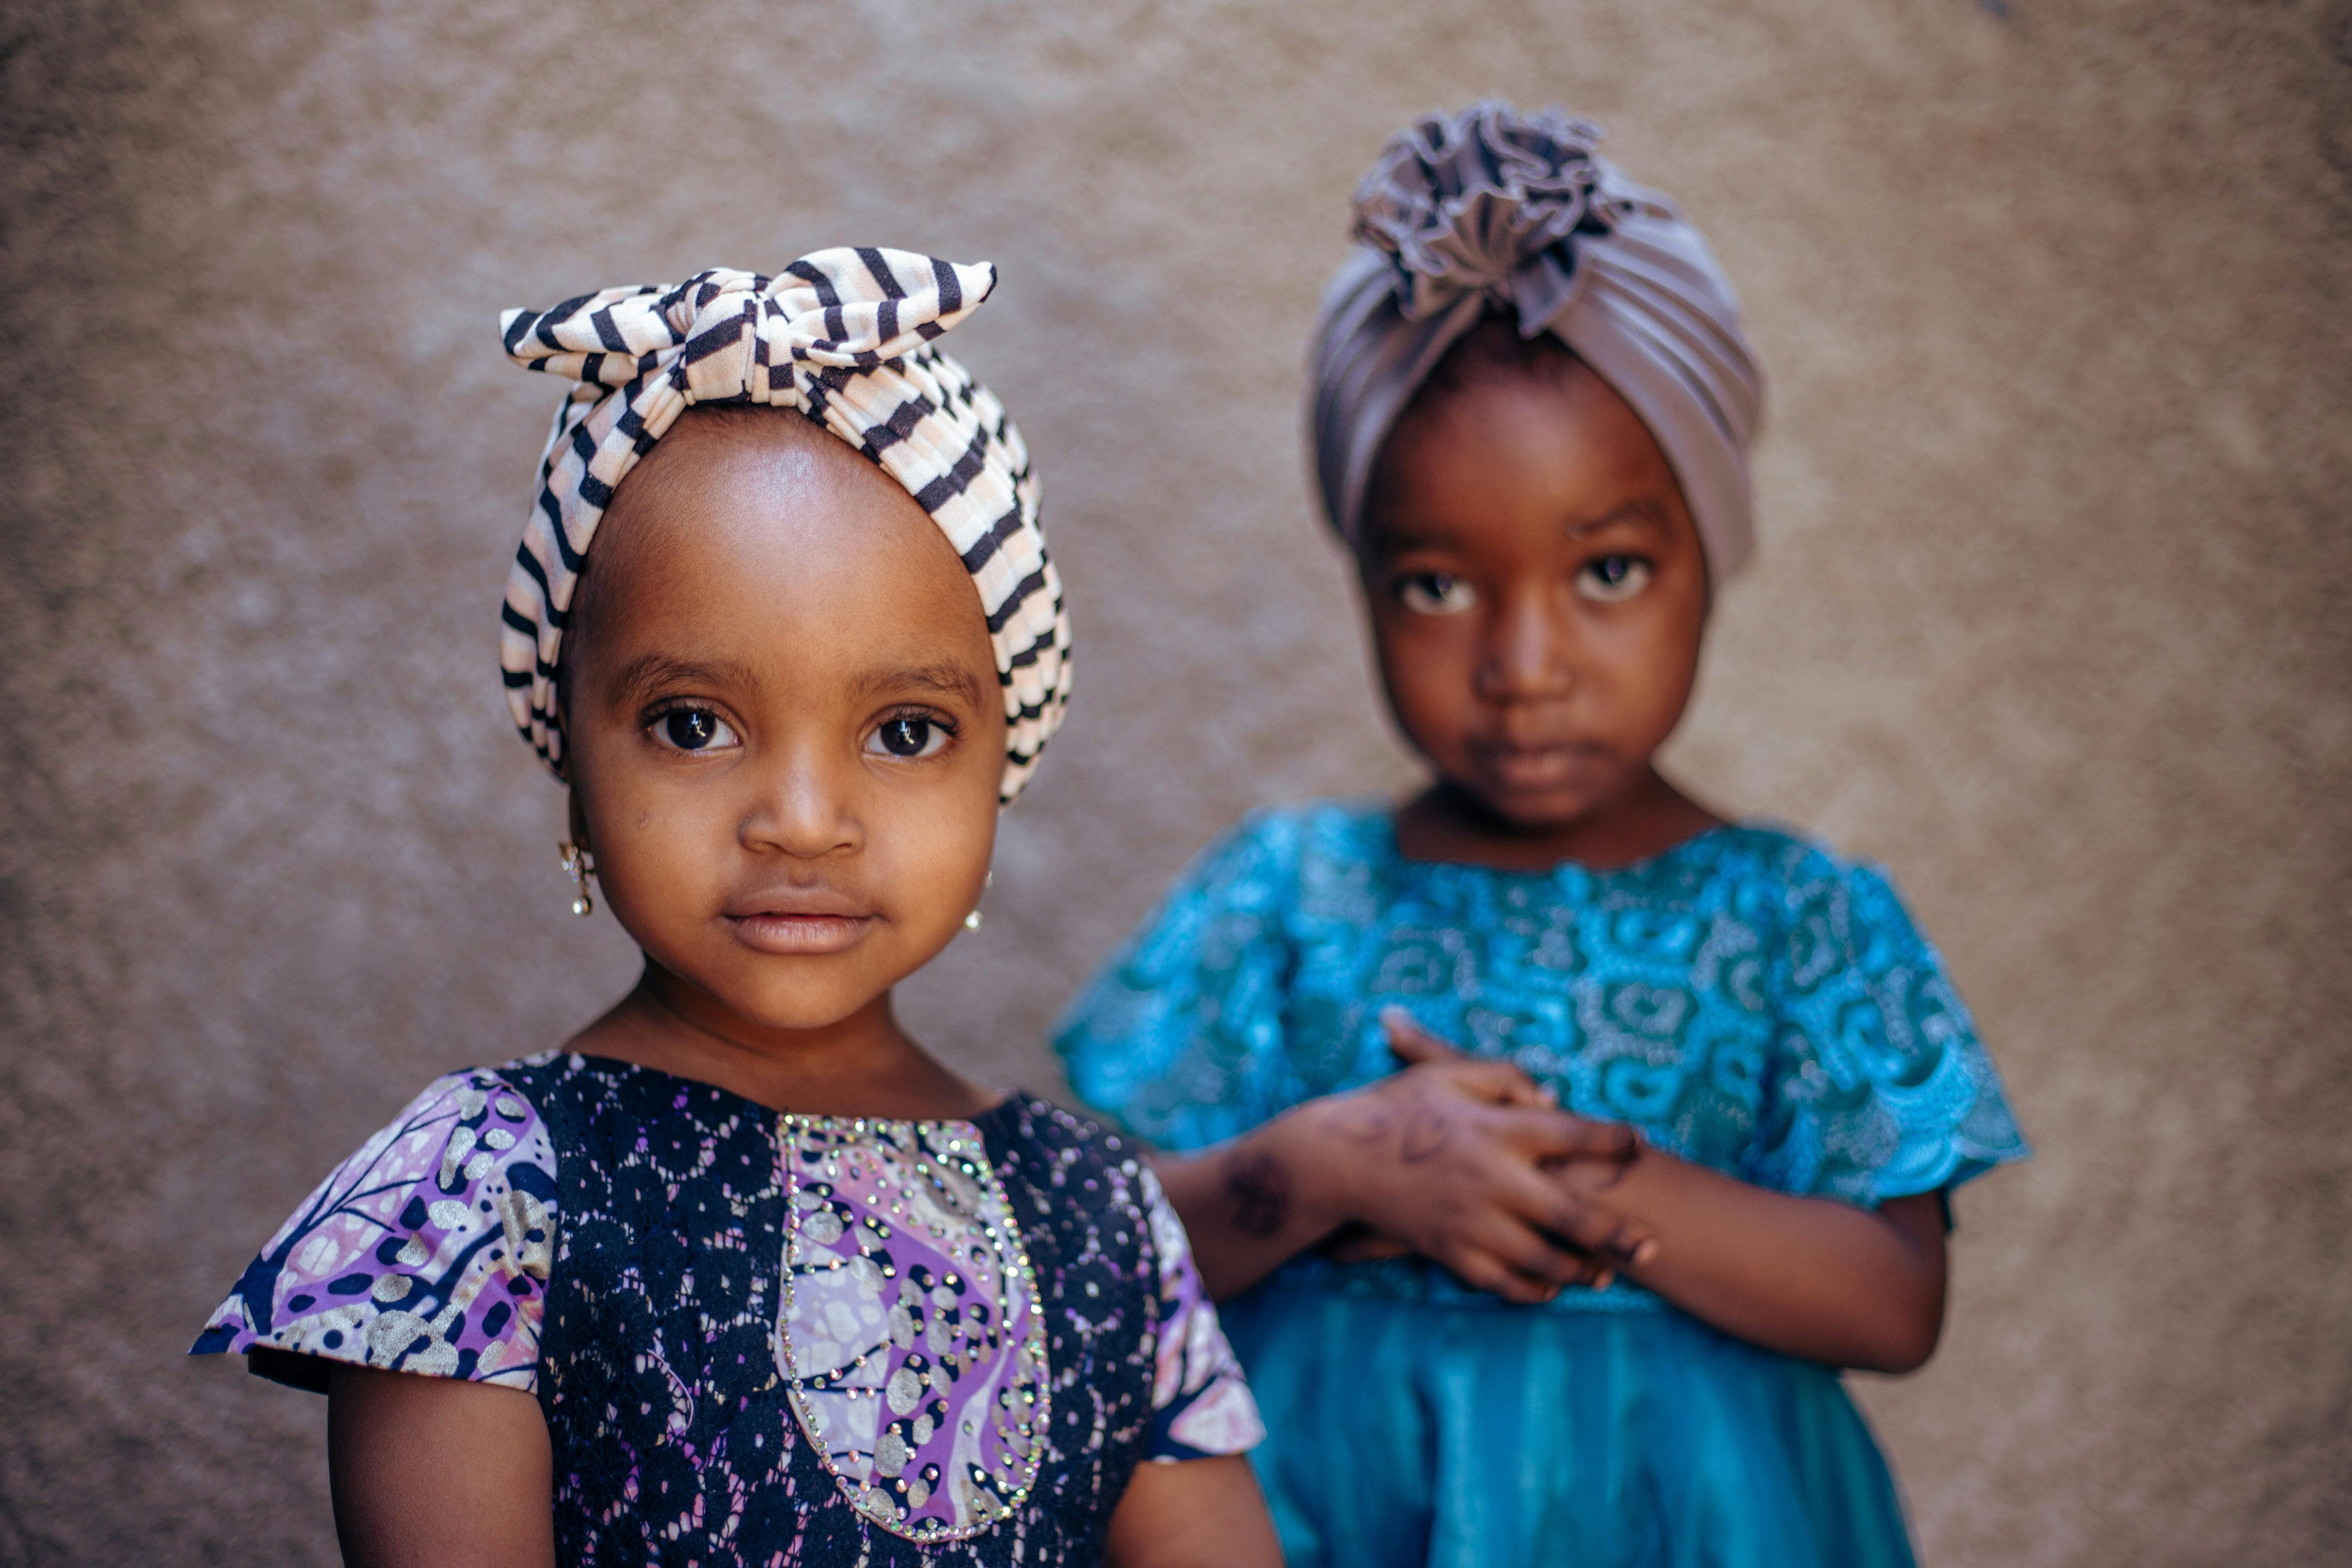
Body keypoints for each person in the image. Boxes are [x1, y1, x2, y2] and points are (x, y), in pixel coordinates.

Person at [193, 249, 1278, 1568]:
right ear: (574, 760)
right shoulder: (480, 1193)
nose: (803, 820)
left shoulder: (1099, 1217)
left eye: (906, 730)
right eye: (694, 724)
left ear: (1007, 760)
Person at [1054, 104, 2030, 1568]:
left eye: (1609, 572)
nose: (1525, 664)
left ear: (1711, 556)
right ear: (1363, 582)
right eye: (1438, 588)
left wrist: (1565, 1177)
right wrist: (1349, 1162)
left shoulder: (1797, 919)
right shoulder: (1285, 894)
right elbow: (1098, 1261)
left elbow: (1895, 1302)